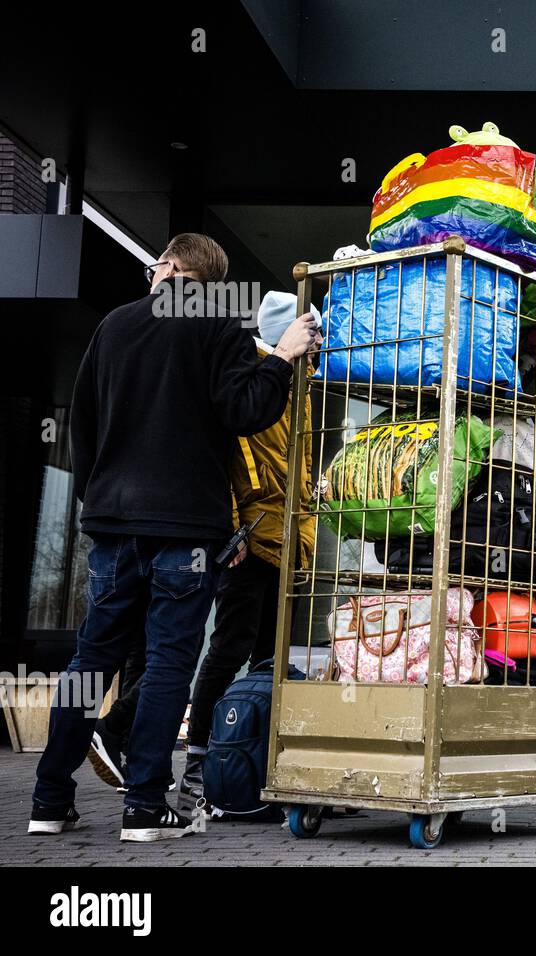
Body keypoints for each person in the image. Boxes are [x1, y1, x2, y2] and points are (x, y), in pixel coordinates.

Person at [29, 234, 321, 842]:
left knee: (90, 662)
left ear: (170, 268)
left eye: (153, 266)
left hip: (113, 526)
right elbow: (247, 410)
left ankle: (49, 800)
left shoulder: (111, 327)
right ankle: (144, 809)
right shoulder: (218, 323)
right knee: (168, 663)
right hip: (186, 527)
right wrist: (283, 355)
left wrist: (98, 504)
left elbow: (83, 422)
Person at [85, 292, 319, 812]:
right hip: (251, 536)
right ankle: (184, 752)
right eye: (312, 336)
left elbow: (287, 462)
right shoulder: (257, 371)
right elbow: (231, 454)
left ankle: (246, 758)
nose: (318, 346)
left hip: (281, 535)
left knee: (263, 654)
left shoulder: (293, 382)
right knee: (221, 650)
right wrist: (230, 529)